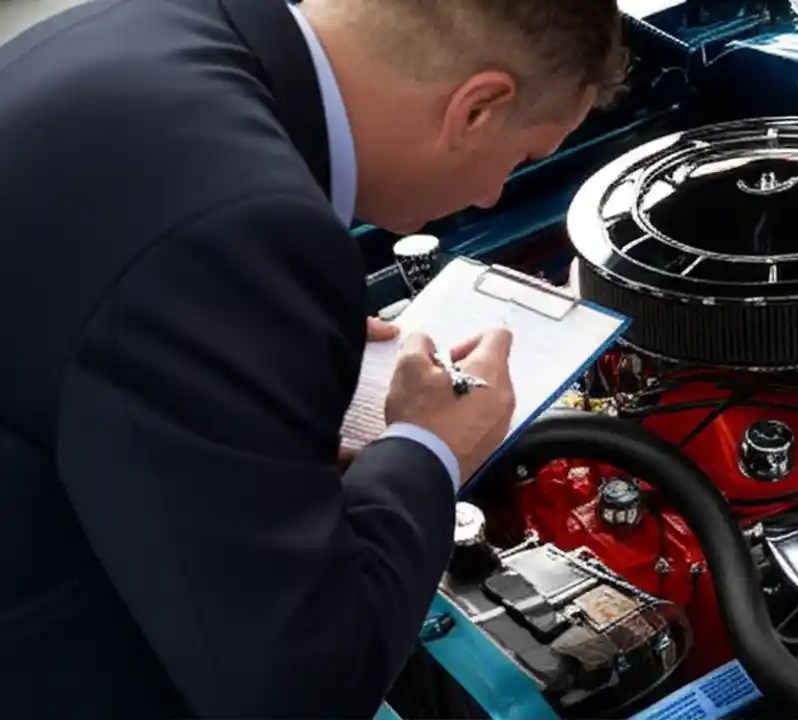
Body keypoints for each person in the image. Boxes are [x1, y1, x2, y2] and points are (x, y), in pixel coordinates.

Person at [0, 0, 624, 717]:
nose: (490, 198)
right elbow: (301, 691)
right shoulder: (244, 231)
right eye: (523, 159)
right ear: (478, 107)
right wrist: (428, 448)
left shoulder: (153, 25)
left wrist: (268, 356)